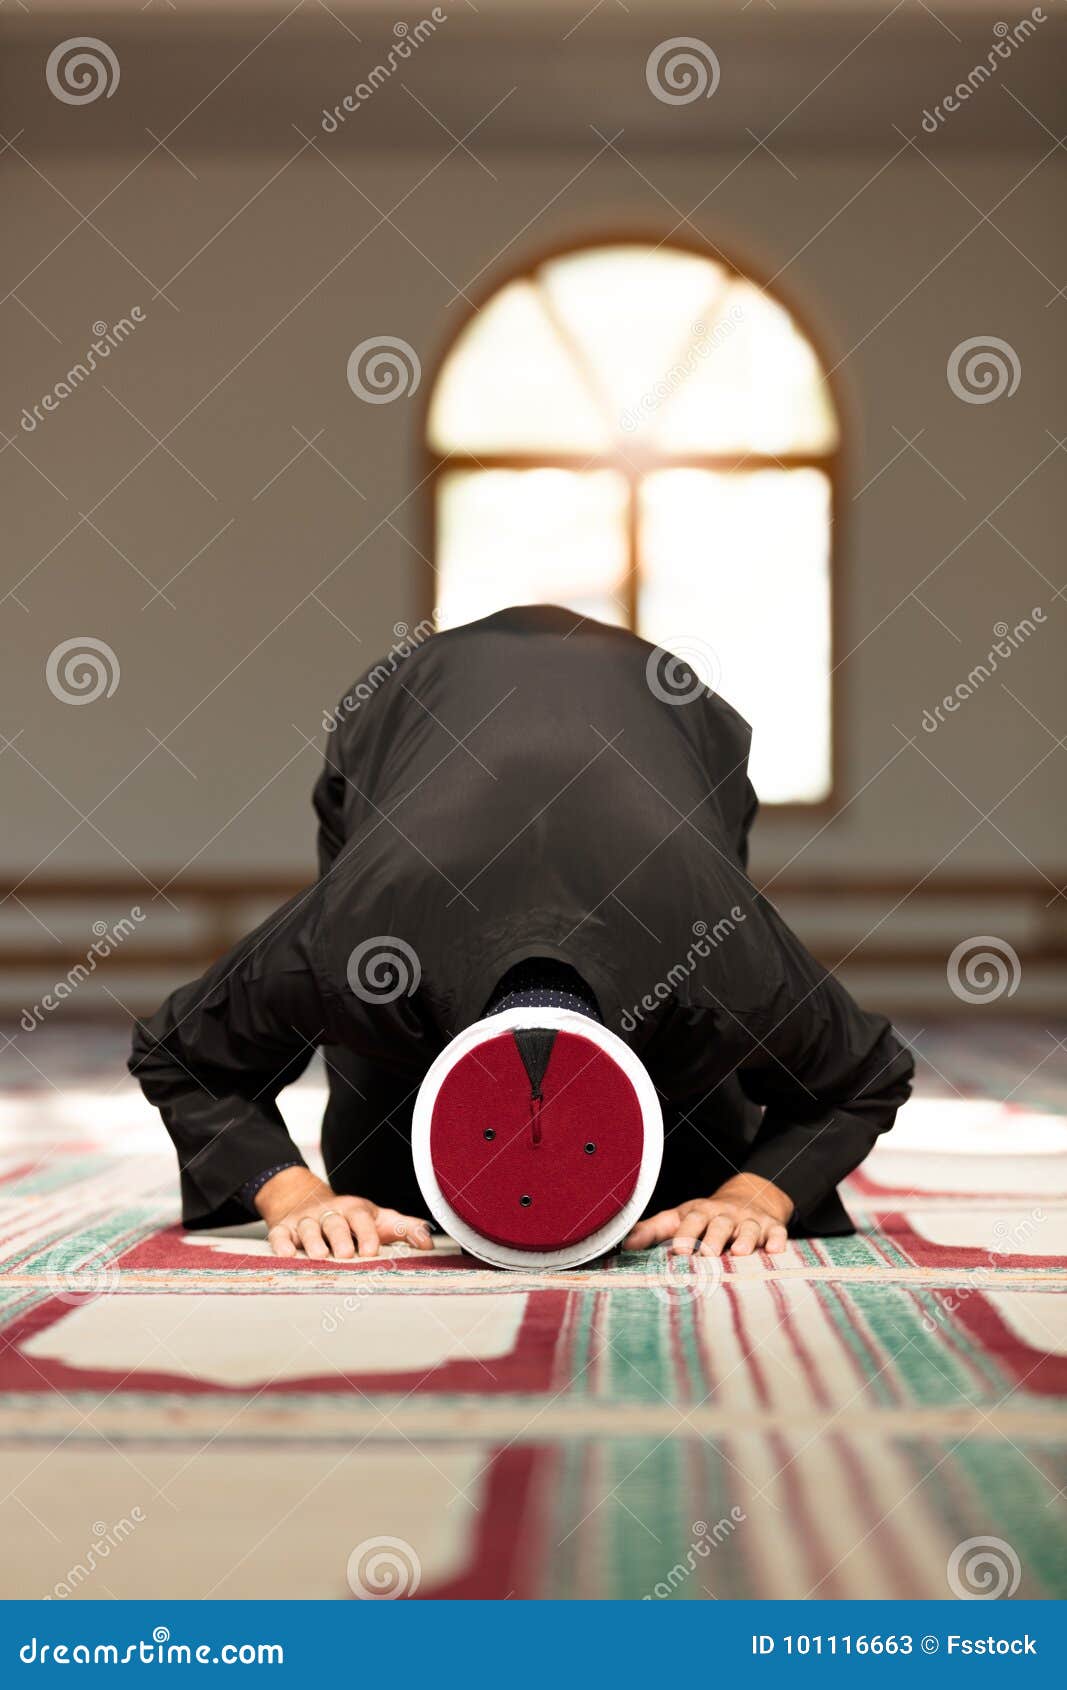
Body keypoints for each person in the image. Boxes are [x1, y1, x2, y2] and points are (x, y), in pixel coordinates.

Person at [130, 605, 913, 1263]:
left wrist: (754, 1193)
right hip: (411, 709)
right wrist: (294, 1195)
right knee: (382, 1182)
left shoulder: (721, 952)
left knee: (697, 1183)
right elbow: (183, 1054)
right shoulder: (359, 930)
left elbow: (861, 1075)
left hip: (668, 718)